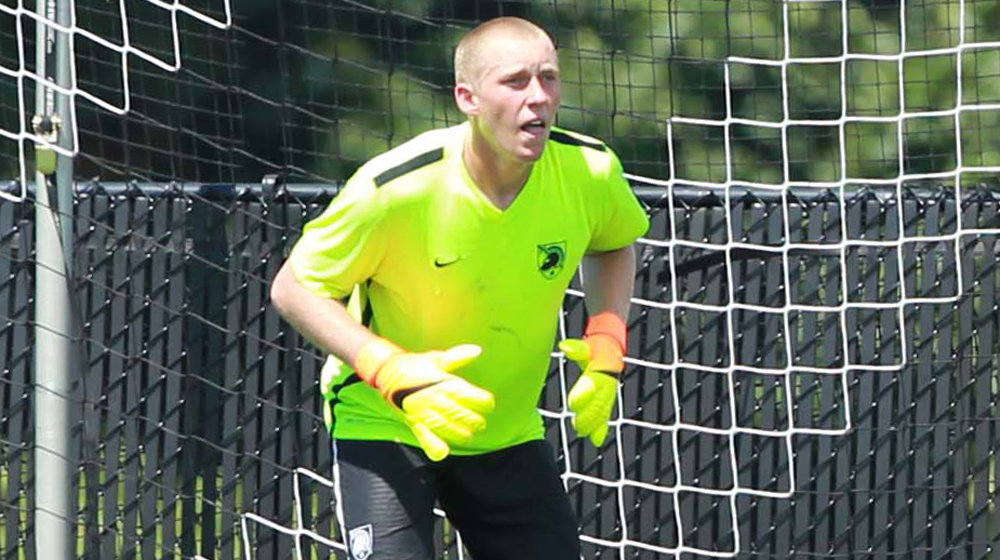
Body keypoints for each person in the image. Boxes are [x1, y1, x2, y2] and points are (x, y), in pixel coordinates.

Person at [270, 16, 649, 560]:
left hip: (509, 429)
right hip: (387, 422)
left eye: (549, 78)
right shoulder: (396, 188)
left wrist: (608, 339)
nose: (538, 97)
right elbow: (295, 287)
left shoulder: (589, 171)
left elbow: (614, 243)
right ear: (467, 98)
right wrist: (390, 369)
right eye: (516, 81)